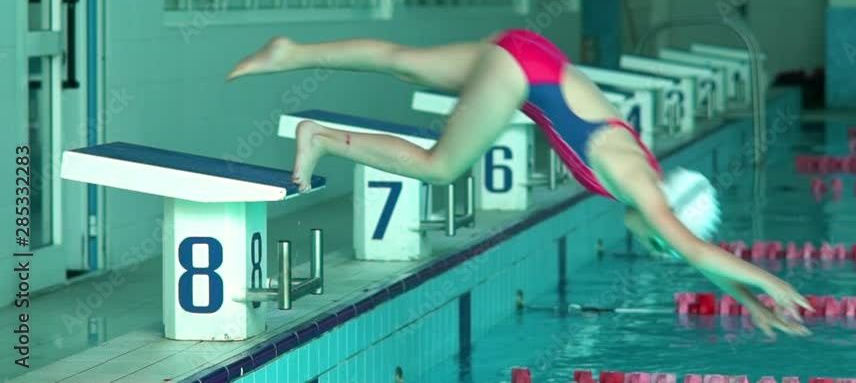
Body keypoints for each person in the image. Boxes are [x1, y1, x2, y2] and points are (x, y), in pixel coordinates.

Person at [226, 29, 813, 336]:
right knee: (441, 168)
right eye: (659, 239)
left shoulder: (650, 180)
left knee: (403, 59)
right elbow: (692, 247)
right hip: (519, 73)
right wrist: (772, 284)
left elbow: (691, 253)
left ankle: (291, 52)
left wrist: (745, 302)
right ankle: (322, 136)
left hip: (527, 54)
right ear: (668, 222)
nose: (653, 245)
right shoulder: (641, 186)